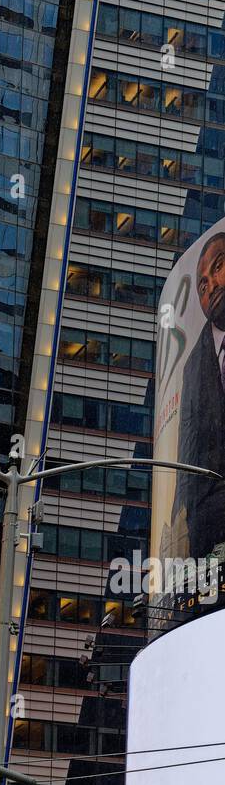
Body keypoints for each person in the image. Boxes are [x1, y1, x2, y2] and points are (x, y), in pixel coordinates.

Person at [172, 232, 225, 558]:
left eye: (218, 268)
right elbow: (187, 449)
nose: (212, 287)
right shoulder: (192, 366)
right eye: (202, 287)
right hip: (211, 525)